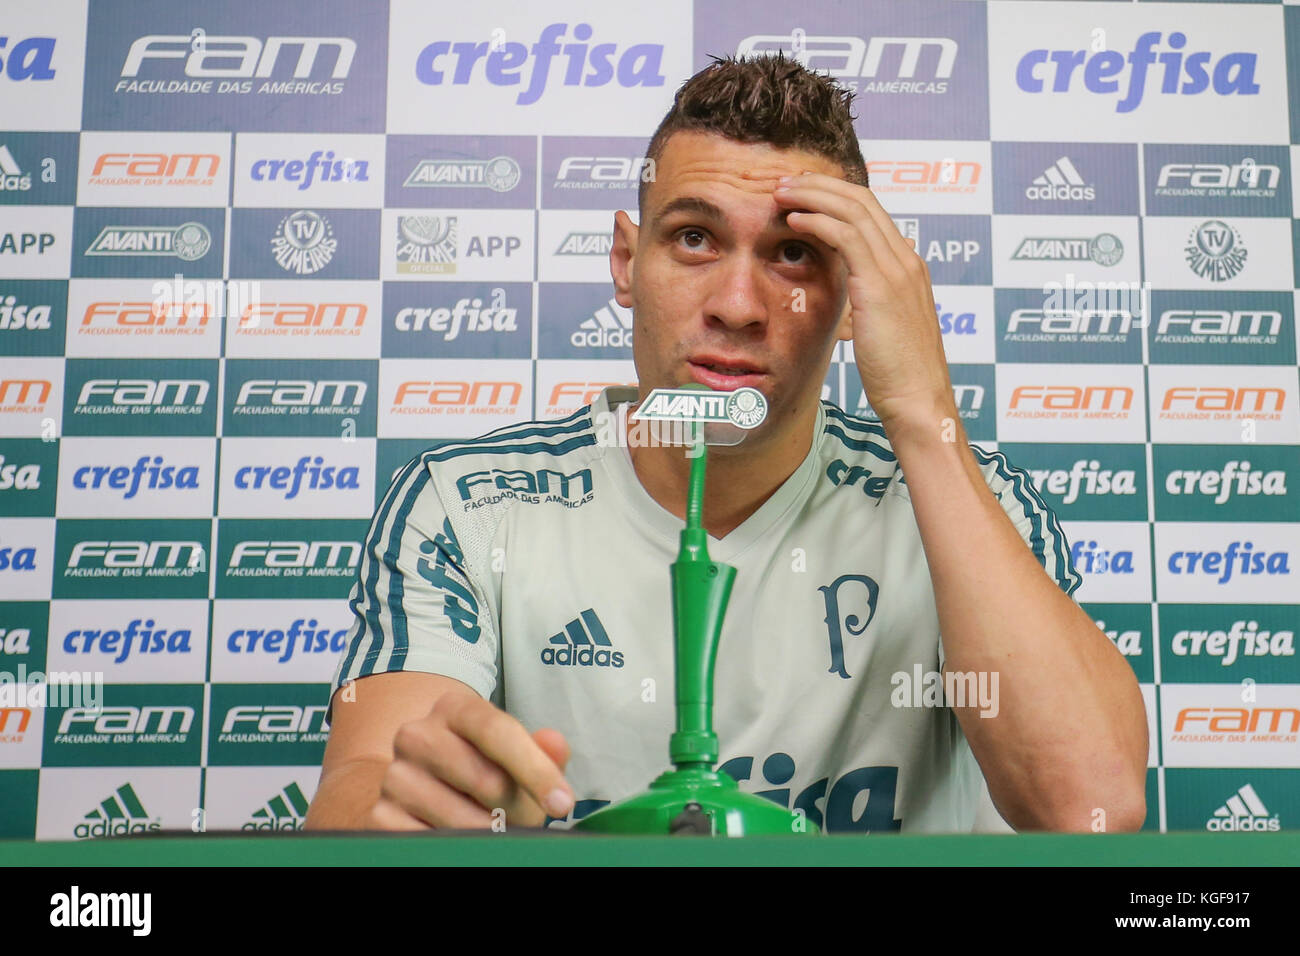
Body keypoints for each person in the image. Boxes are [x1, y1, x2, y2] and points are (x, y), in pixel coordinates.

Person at [305, 55, 1148, 834]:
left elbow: (1089, 807)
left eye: (793, 253)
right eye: (696, 239)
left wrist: (924, 416)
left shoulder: (970, 501)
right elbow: (365, 781)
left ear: (859, 297)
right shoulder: (470, 504)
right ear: (627, 263)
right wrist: (403, 802)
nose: (739, 305)